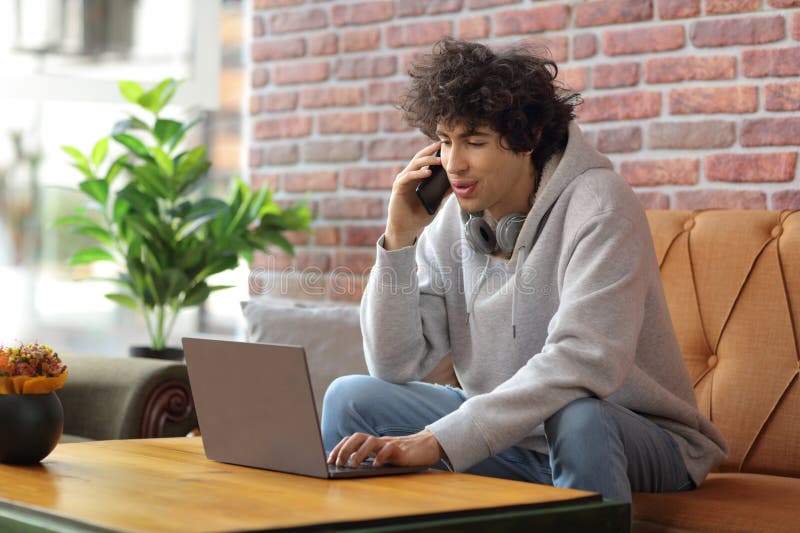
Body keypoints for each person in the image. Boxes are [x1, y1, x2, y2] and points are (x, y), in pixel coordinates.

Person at [320, 38, 728, 503]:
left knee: (577, 415)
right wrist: (398, 241)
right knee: (350, 397)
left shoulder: (600, 205)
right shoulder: (451, 219)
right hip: (512, 432)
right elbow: (394, 364)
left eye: (474, 141)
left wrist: (440, 439)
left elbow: (584, 361)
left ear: (526, 139)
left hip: (635, 434)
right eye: (446, 140)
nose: (453, 164)